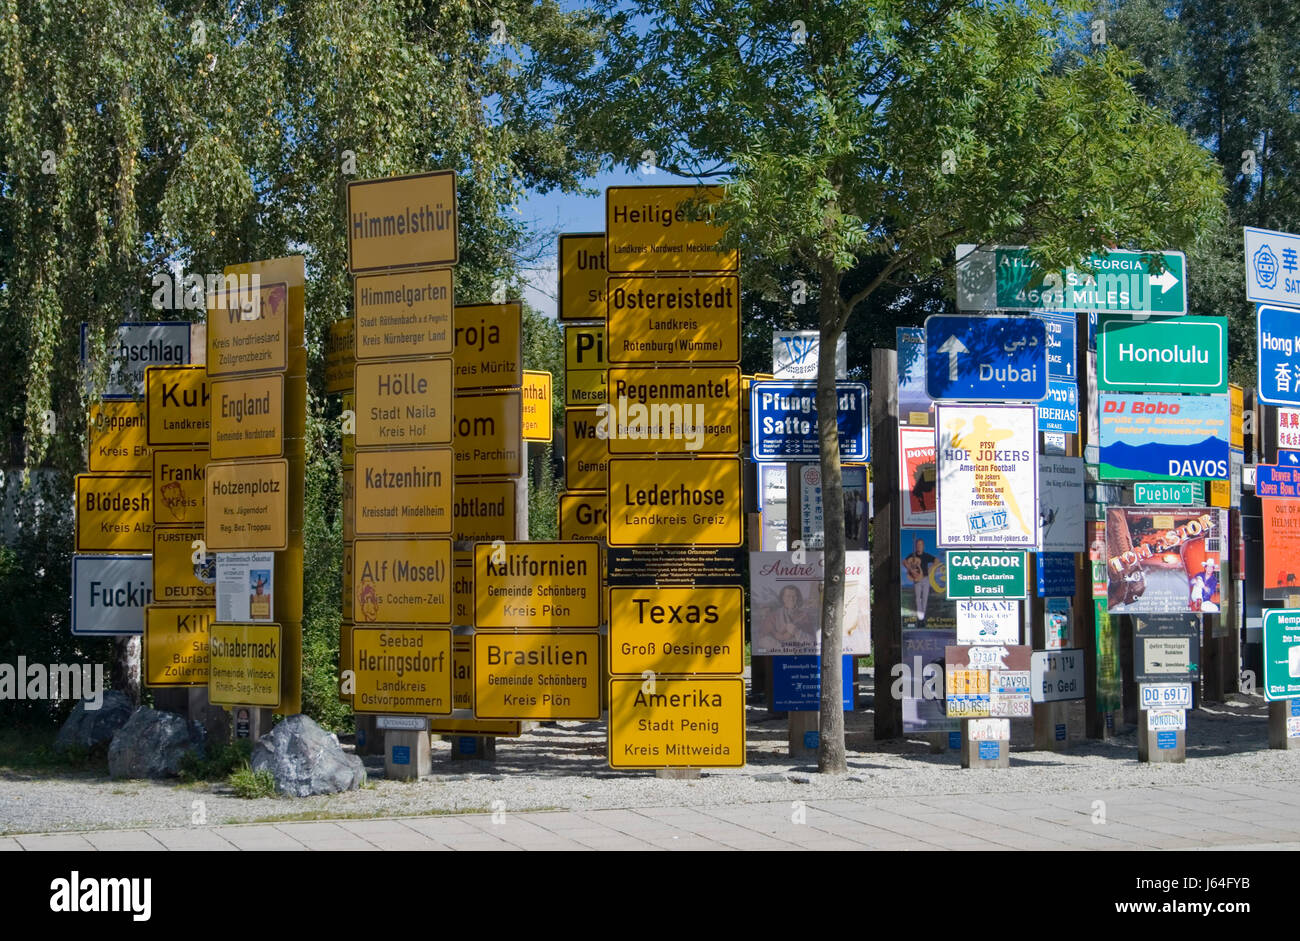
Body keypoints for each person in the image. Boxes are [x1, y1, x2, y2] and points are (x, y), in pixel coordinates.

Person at [903, 537, 937, 628]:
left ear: (923, 546)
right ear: (915, 546)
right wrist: (911, 570)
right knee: (918, 599)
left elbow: (936, 560)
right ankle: (920, 618)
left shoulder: (926, 555)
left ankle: (922, 619)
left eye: (920, 545)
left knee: (925, 598)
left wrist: (931, 568)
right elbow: (904, 562)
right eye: (917, 545)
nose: (919, 546)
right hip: (916, 580)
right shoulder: (912, 555)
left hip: (925, 579)